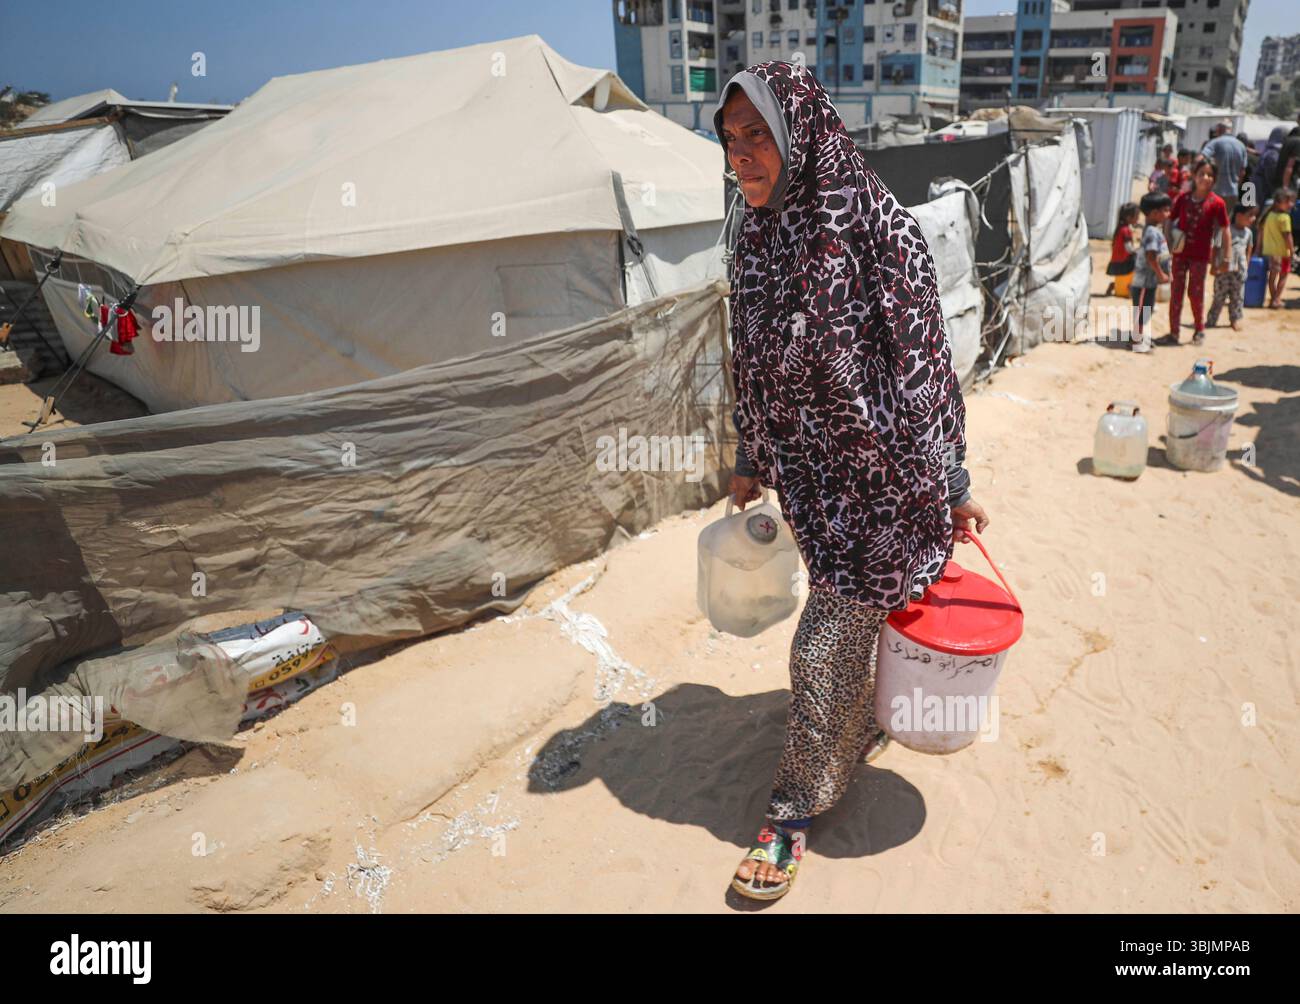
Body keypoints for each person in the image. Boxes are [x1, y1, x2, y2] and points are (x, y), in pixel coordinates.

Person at [715, 61, 989, 902]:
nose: (742, 158)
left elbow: (926, 367)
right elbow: (752, 361)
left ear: (801, 132)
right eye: (731, 140)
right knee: (851, 625)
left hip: (885, 485)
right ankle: (860, 721)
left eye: (758, 135)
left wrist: (949, 480)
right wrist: (753, 455)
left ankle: (795, 809)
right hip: (812, 485)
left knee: (822, 643)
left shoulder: (879, 232)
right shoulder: (756, 236)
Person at [1165, 160, 1230, 345]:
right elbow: (1170, 220)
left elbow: (1225, 230)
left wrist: (1227, 256)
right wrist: (1168, 242)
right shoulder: (1183, 199)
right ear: (1194, 175)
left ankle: (1199, 330)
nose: (1205, 178)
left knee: (1196, 292)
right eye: (1202, 173)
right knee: (1176, 290)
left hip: (1200, 256)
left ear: (1214, 179)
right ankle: (1173, 332)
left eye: (1210, 175)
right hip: (1180, 253)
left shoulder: (1217, 203)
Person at [1130, 192, 1171, 354]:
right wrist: (1160, 274)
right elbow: (1151, 256)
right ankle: (1137, 341)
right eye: (1165, 210)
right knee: (1142, 310)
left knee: (1145, 309)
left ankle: (1139, 336)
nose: (1168, 214)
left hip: (1149, 281)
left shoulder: (1154, 230)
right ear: (1154, 213)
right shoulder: (1152, 232)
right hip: (1144, 282)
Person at [1207, 204, 1256, 331]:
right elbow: (1216, 248)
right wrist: (1213, 266)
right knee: (1219, 296)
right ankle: (1211, 320)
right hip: (1223, 270)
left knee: (1237, 297)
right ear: (1239, 216)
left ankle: (1235, 319)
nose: (1253, 218)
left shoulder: (1248, 233)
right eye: (1250, 215)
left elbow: (1248, 250)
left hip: (1239, 271)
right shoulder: (1225, 230)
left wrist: (1246, 266)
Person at [1201, 120, 1247, 213]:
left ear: (1219, 129)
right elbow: (1242, 172)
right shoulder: (1241, 146)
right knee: (1225, 223)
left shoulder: (1215, 142)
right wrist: (1236, 187)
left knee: (1210, 221)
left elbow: (1200, 159)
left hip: (1216, 191)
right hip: (1232, 193)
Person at [1261, 189, 1296, 309]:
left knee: (1272, 276)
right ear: (1278, 203)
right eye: (1288, 201)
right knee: (1284, 275)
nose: (1291, 204)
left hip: (1270, 252)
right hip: (1282, 252)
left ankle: (1273, 299)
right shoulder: (1284, 218)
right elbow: (1288, 236)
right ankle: (1276, 299)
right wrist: (1291, 251)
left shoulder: (1269, 215)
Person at [1106, 202, 1140, 295]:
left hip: (1116, 260)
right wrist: (1138, 251)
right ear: (1129, 218)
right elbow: (1128, 248)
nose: (1138, 219)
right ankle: (1130, 289)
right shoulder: (1126, 230)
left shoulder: (1119, 228)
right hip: (1124, 261)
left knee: (1121, 278)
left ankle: (1114, 285)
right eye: (1136, 216)